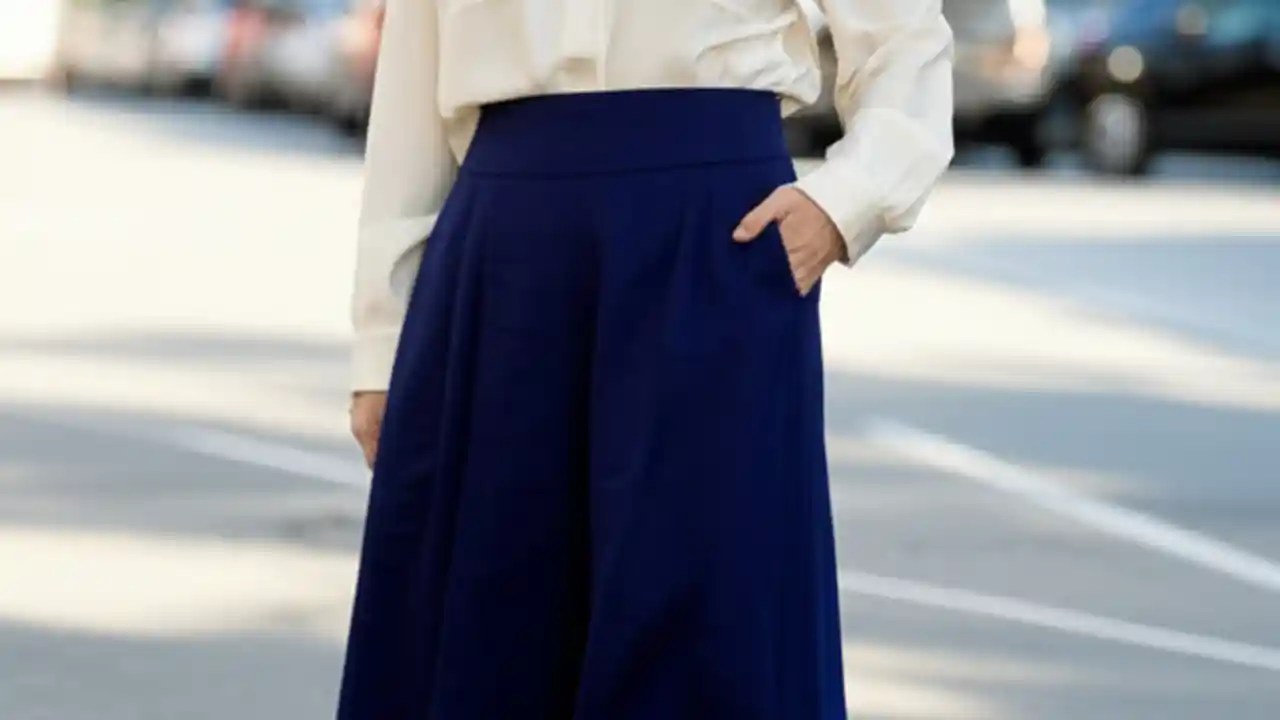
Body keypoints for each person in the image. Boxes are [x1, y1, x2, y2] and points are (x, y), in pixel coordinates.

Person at [339, 0, 953, 717]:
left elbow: (904, 41)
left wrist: (845, 203)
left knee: (712, 623)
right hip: (507, 246)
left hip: (716, 239)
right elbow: (412, 86)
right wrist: (383, 343)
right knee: (491, 621)